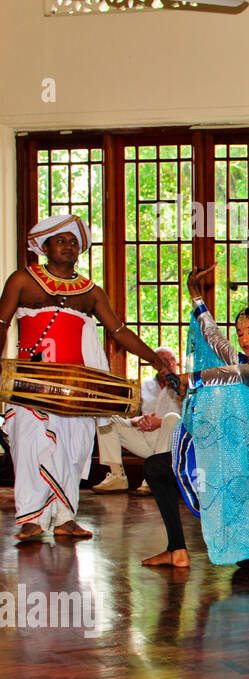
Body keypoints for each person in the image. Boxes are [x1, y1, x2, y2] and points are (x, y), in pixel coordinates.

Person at [0, 213, 170, 541]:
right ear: (44, 246)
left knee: (73, 449)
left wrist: (156, 360)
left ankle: (64, 519)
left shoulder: (91, 291)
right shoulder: (22, 280)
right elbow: (2, 324)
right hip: (31, 383)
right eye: (60, 240)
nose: (68, 246)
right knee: (31, 445)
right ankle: (31, 519)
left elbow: (118, 331)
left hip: (76, 388)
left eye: (73, 241)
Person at [140, 266, 249, 570]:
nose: (244, 339)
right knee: (156, 467)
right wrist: (196, 295)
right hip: (225, 457)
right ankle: (177, 548)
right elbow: (213, 338)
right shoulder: (236, 361)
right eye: (240, 334)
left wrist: (194, 377)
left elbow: (240, 373)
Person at [91, 349, 182, 494]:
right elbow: (130, 415)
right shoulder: (145, 386)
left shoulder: (184, 387)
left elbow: (189, 419)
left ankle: (155, 478)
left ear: (177, 363)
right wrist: (139, 420)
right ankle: (116, 475)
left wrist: (159, 422)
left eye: (171, 359)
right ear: (155, 363)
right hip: (144, 436)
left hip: (170, 442)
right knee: (107, 418)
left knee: (172, 418)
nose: (168, 363)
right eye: (163, 360)